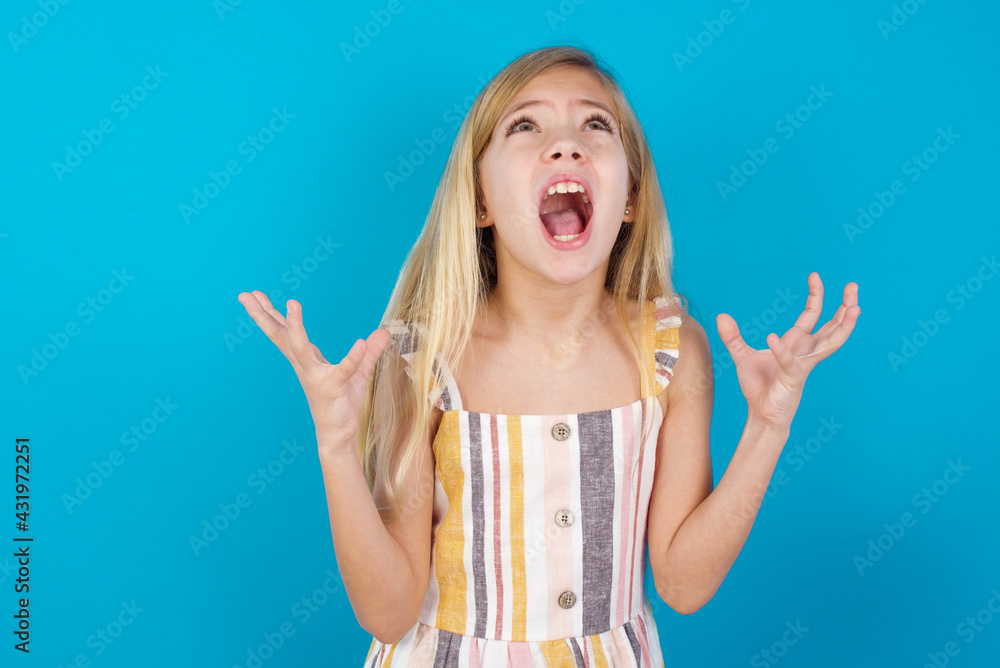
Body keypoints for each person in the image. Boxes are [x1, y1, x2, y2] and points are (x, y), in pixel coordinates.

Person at [238, 44, 859, 667]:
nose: (566, 144)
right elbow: (388, 612)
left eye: (595, 124)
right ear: (480, 201)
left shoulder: (672, 352)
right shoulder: (420, 361)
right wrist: (337, 447)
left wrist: (768, 428)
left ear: (631, 200)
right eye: (526, 125)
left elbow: (683, 584)